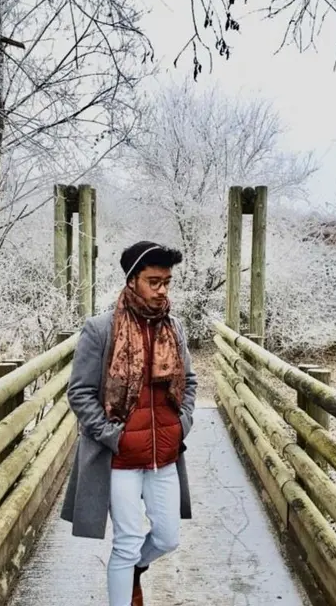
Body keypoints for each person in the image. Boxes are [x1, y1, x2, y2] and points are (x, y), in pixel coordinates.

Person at [61, 241, 197, 606]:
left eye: (166, 282)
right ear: (133, 280)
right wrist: (113, 437)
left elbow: (189, 382)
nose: (162, 290)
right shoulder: (101, 329)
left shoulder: (174, 328)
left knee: (167, 538)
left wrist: (182, 425)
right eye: (154, 281)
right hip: (120, 458)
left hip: (164, 455)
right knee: (127, 542)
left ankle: (134, 568)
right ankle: (125, 585)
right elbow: (80, 392)